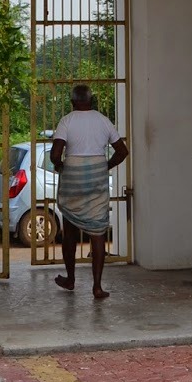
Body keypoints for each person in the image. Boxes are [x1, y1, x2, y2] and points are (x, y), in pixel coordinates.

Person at [50, 84, 128, 300]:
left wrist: (61, 166)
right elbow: (122, 151)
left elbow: (55, 154)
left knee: (70, 231)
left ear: (72, 102)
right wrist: (105, 166)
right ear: (91, 101)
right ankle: (97, 287)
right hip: (97, 178)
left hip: (73, 180)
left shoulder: (67, 121)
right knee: (98, 232)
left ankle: (70, 279)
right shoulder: (103, 121)